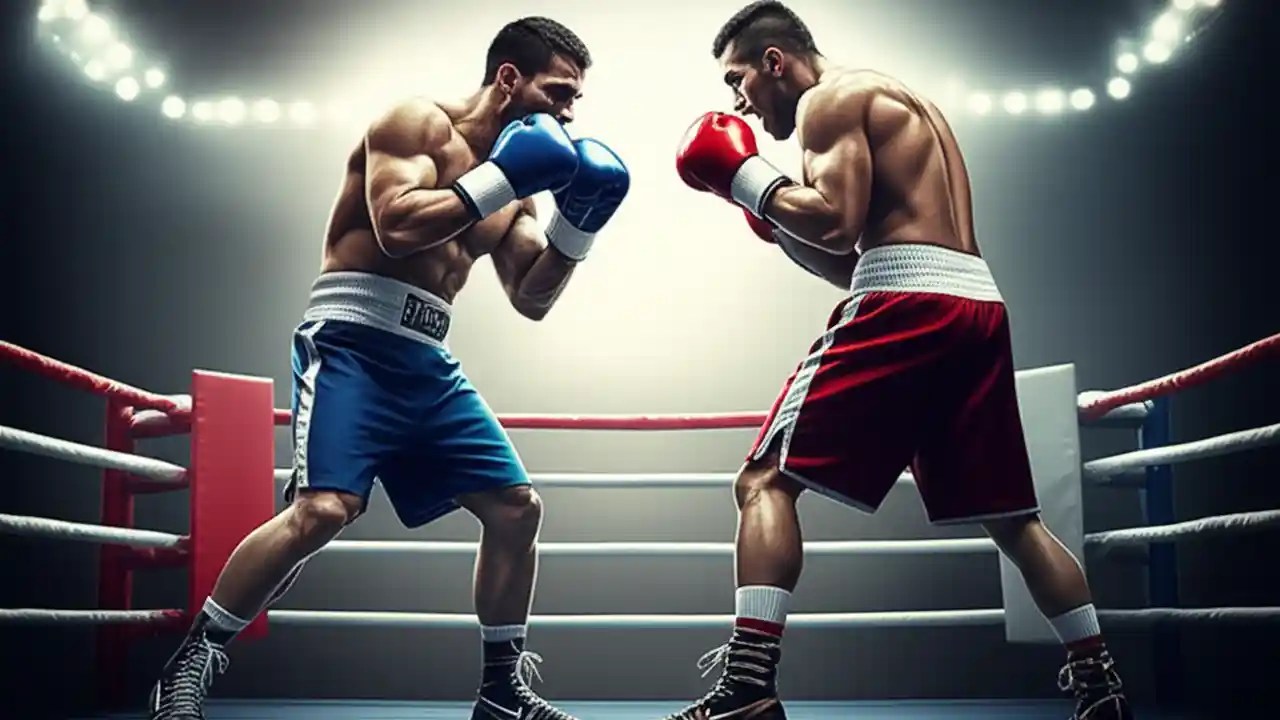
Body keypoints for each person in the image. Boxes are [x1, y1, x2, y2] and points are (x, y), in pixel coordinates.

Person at [146, 16, 629, 720]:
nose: (568, 112)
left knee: (516, 508)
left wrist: (579, 226)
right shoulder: (417, 124)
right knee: (322, 511)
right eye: (558, 92)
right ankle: (190, 661)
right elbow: (396, 225)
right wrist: (500, 179)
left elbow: (532, 296)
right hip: (352, 341)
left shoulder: (522, 188)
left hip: (427, 362)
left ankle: (500, 693)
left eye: (574, 101)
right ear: (507, 78)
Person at [669, 2, 1132, 719]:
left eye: (738, 81)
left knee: (763, 480)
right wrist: (769, 219)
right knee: (1012, 519)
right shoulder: (896, 99)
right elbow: (845, 257)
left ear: (774, 62)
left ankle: (749, 688)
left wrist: (744, 178)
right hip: (975, 304)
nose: (738, 102)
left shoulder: (829, 100)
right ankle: (1101, 685)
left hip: (906, 299)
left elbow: (835, 221)